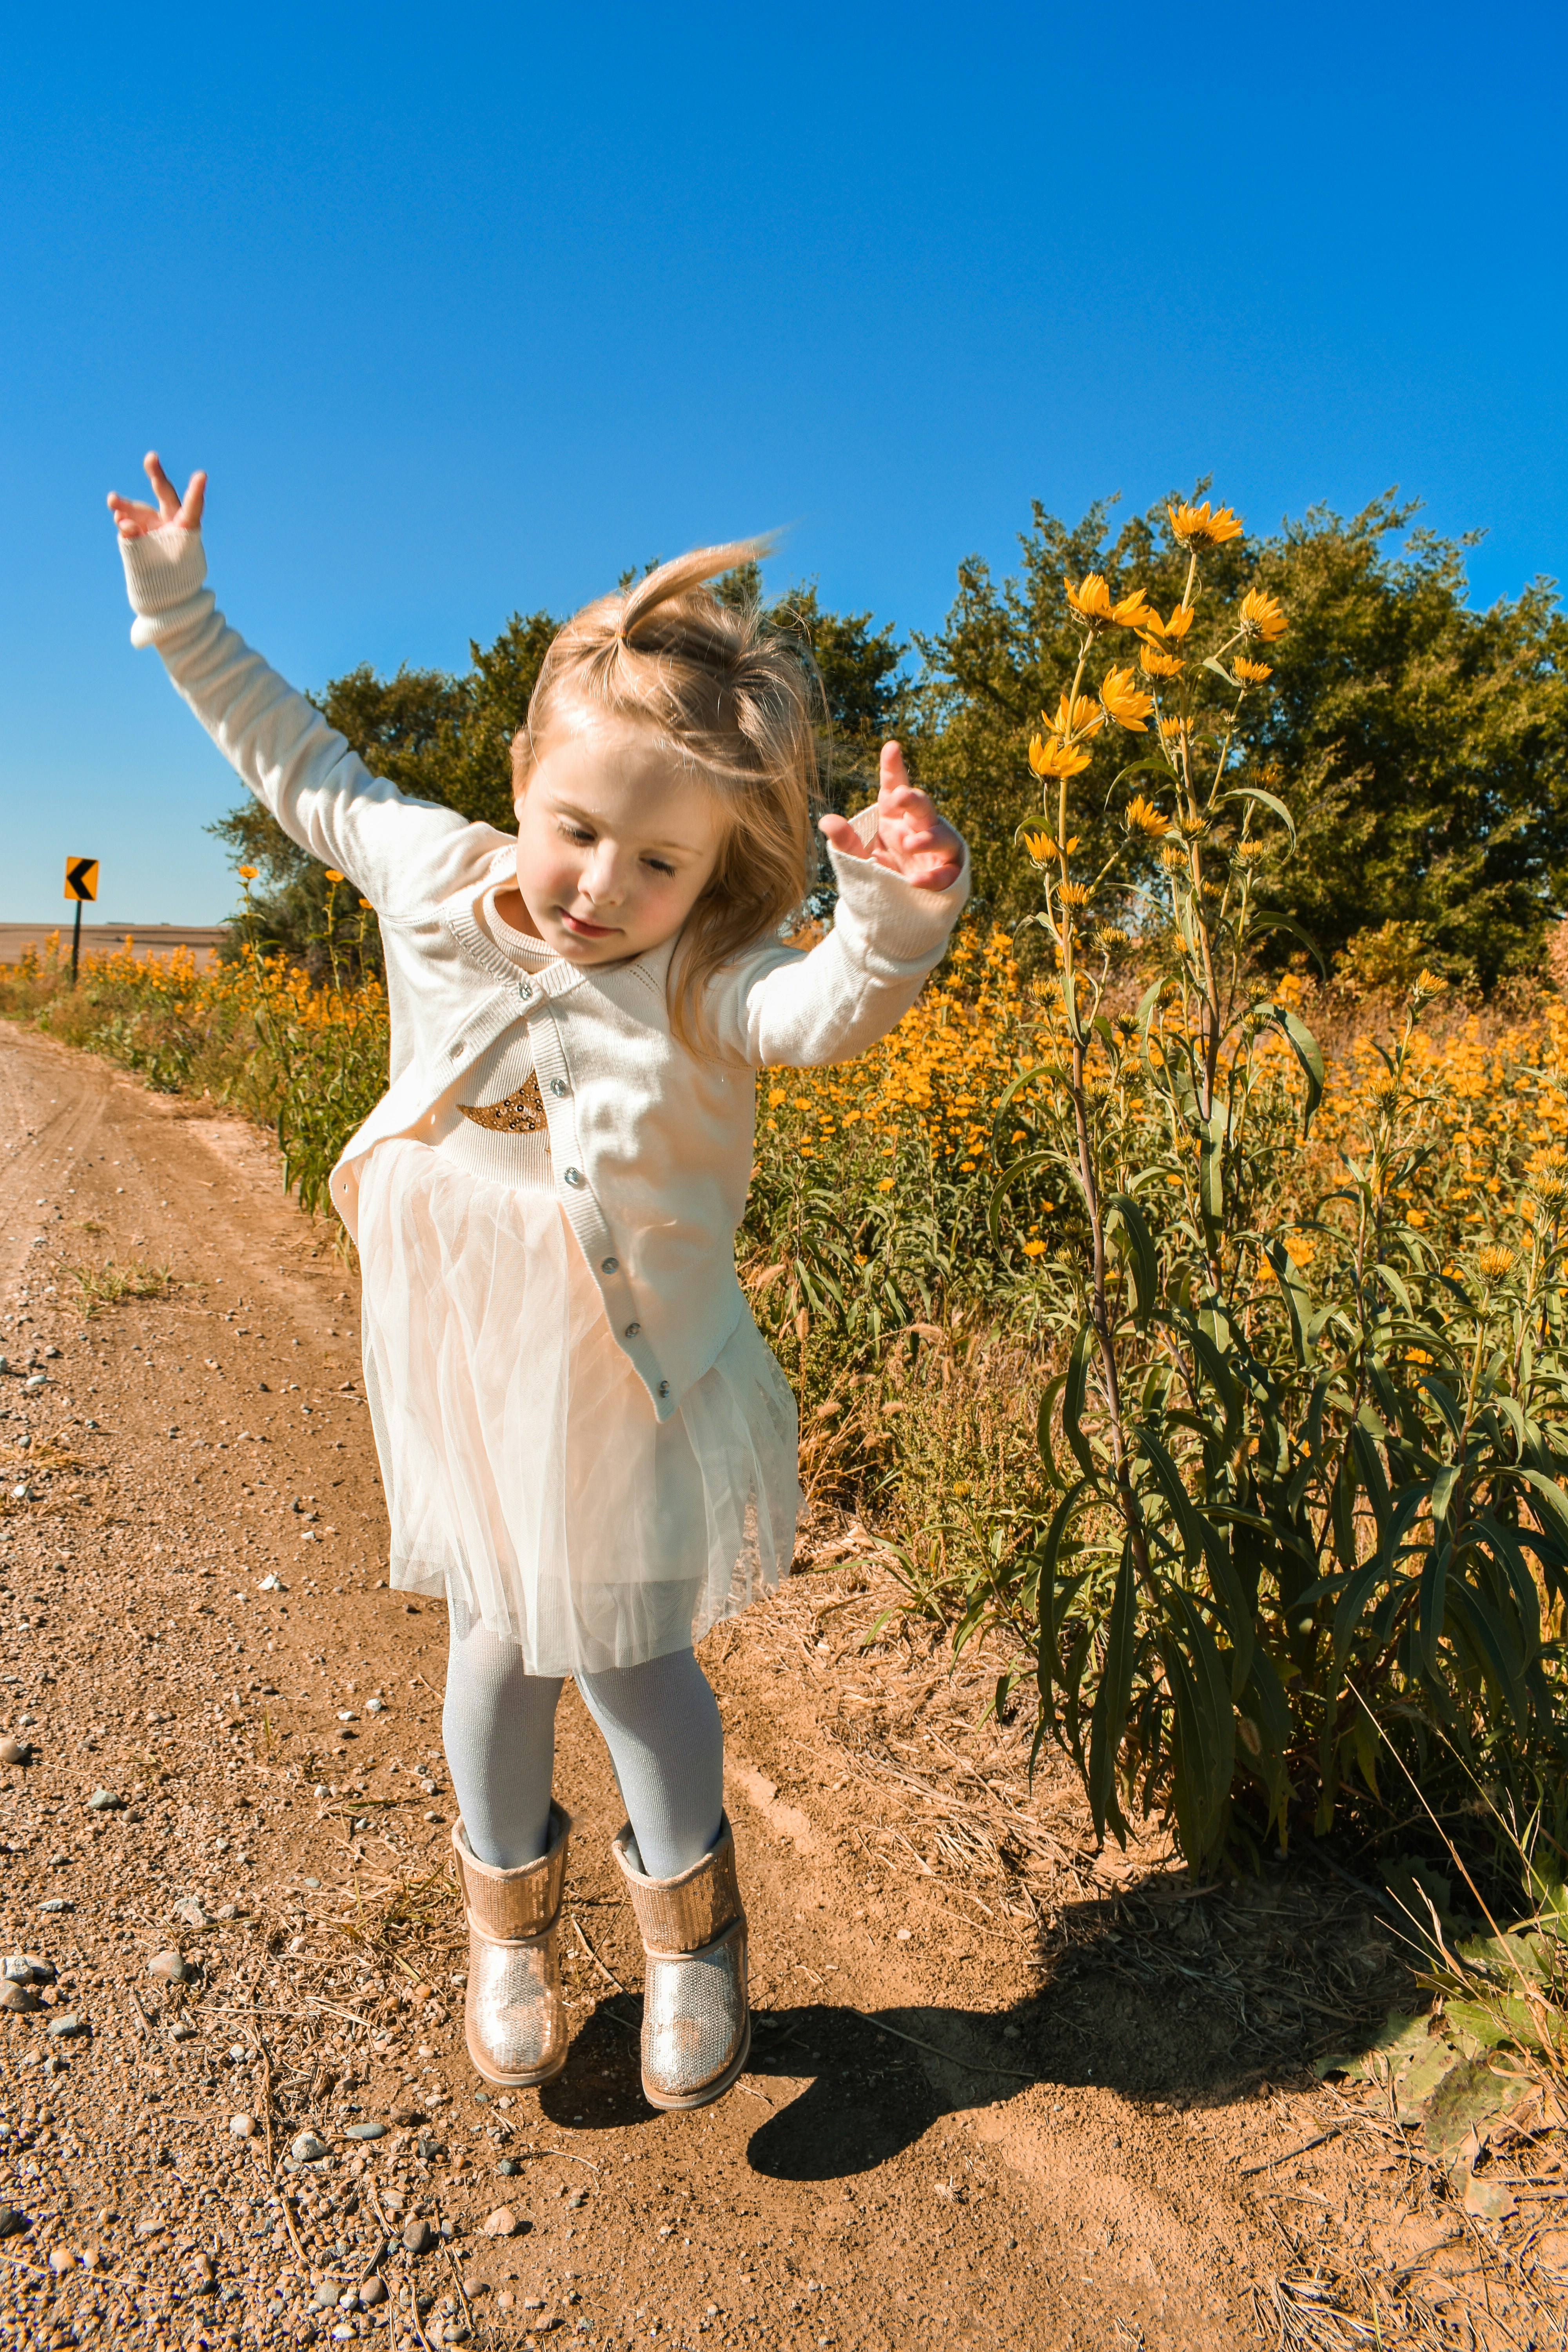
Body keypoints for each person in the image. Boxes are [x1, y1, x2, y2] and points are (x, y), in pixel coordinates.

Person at [108, 453, 969, 2111]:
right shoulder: (429, 872)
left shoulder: (710, 978)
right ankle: (506, 1922)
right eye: (577, 832)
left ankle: (689, 1936)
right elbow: (287, 753)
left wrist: (890, 927)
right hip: (457, 1338)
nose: (600, 888)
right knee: (494, 1644)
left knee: (634, 1654)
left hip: (622, 1359)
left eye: (658, 865)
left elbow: (820, 1013)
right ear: (522, 779)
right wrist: (178, 599)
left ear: (710, 872)